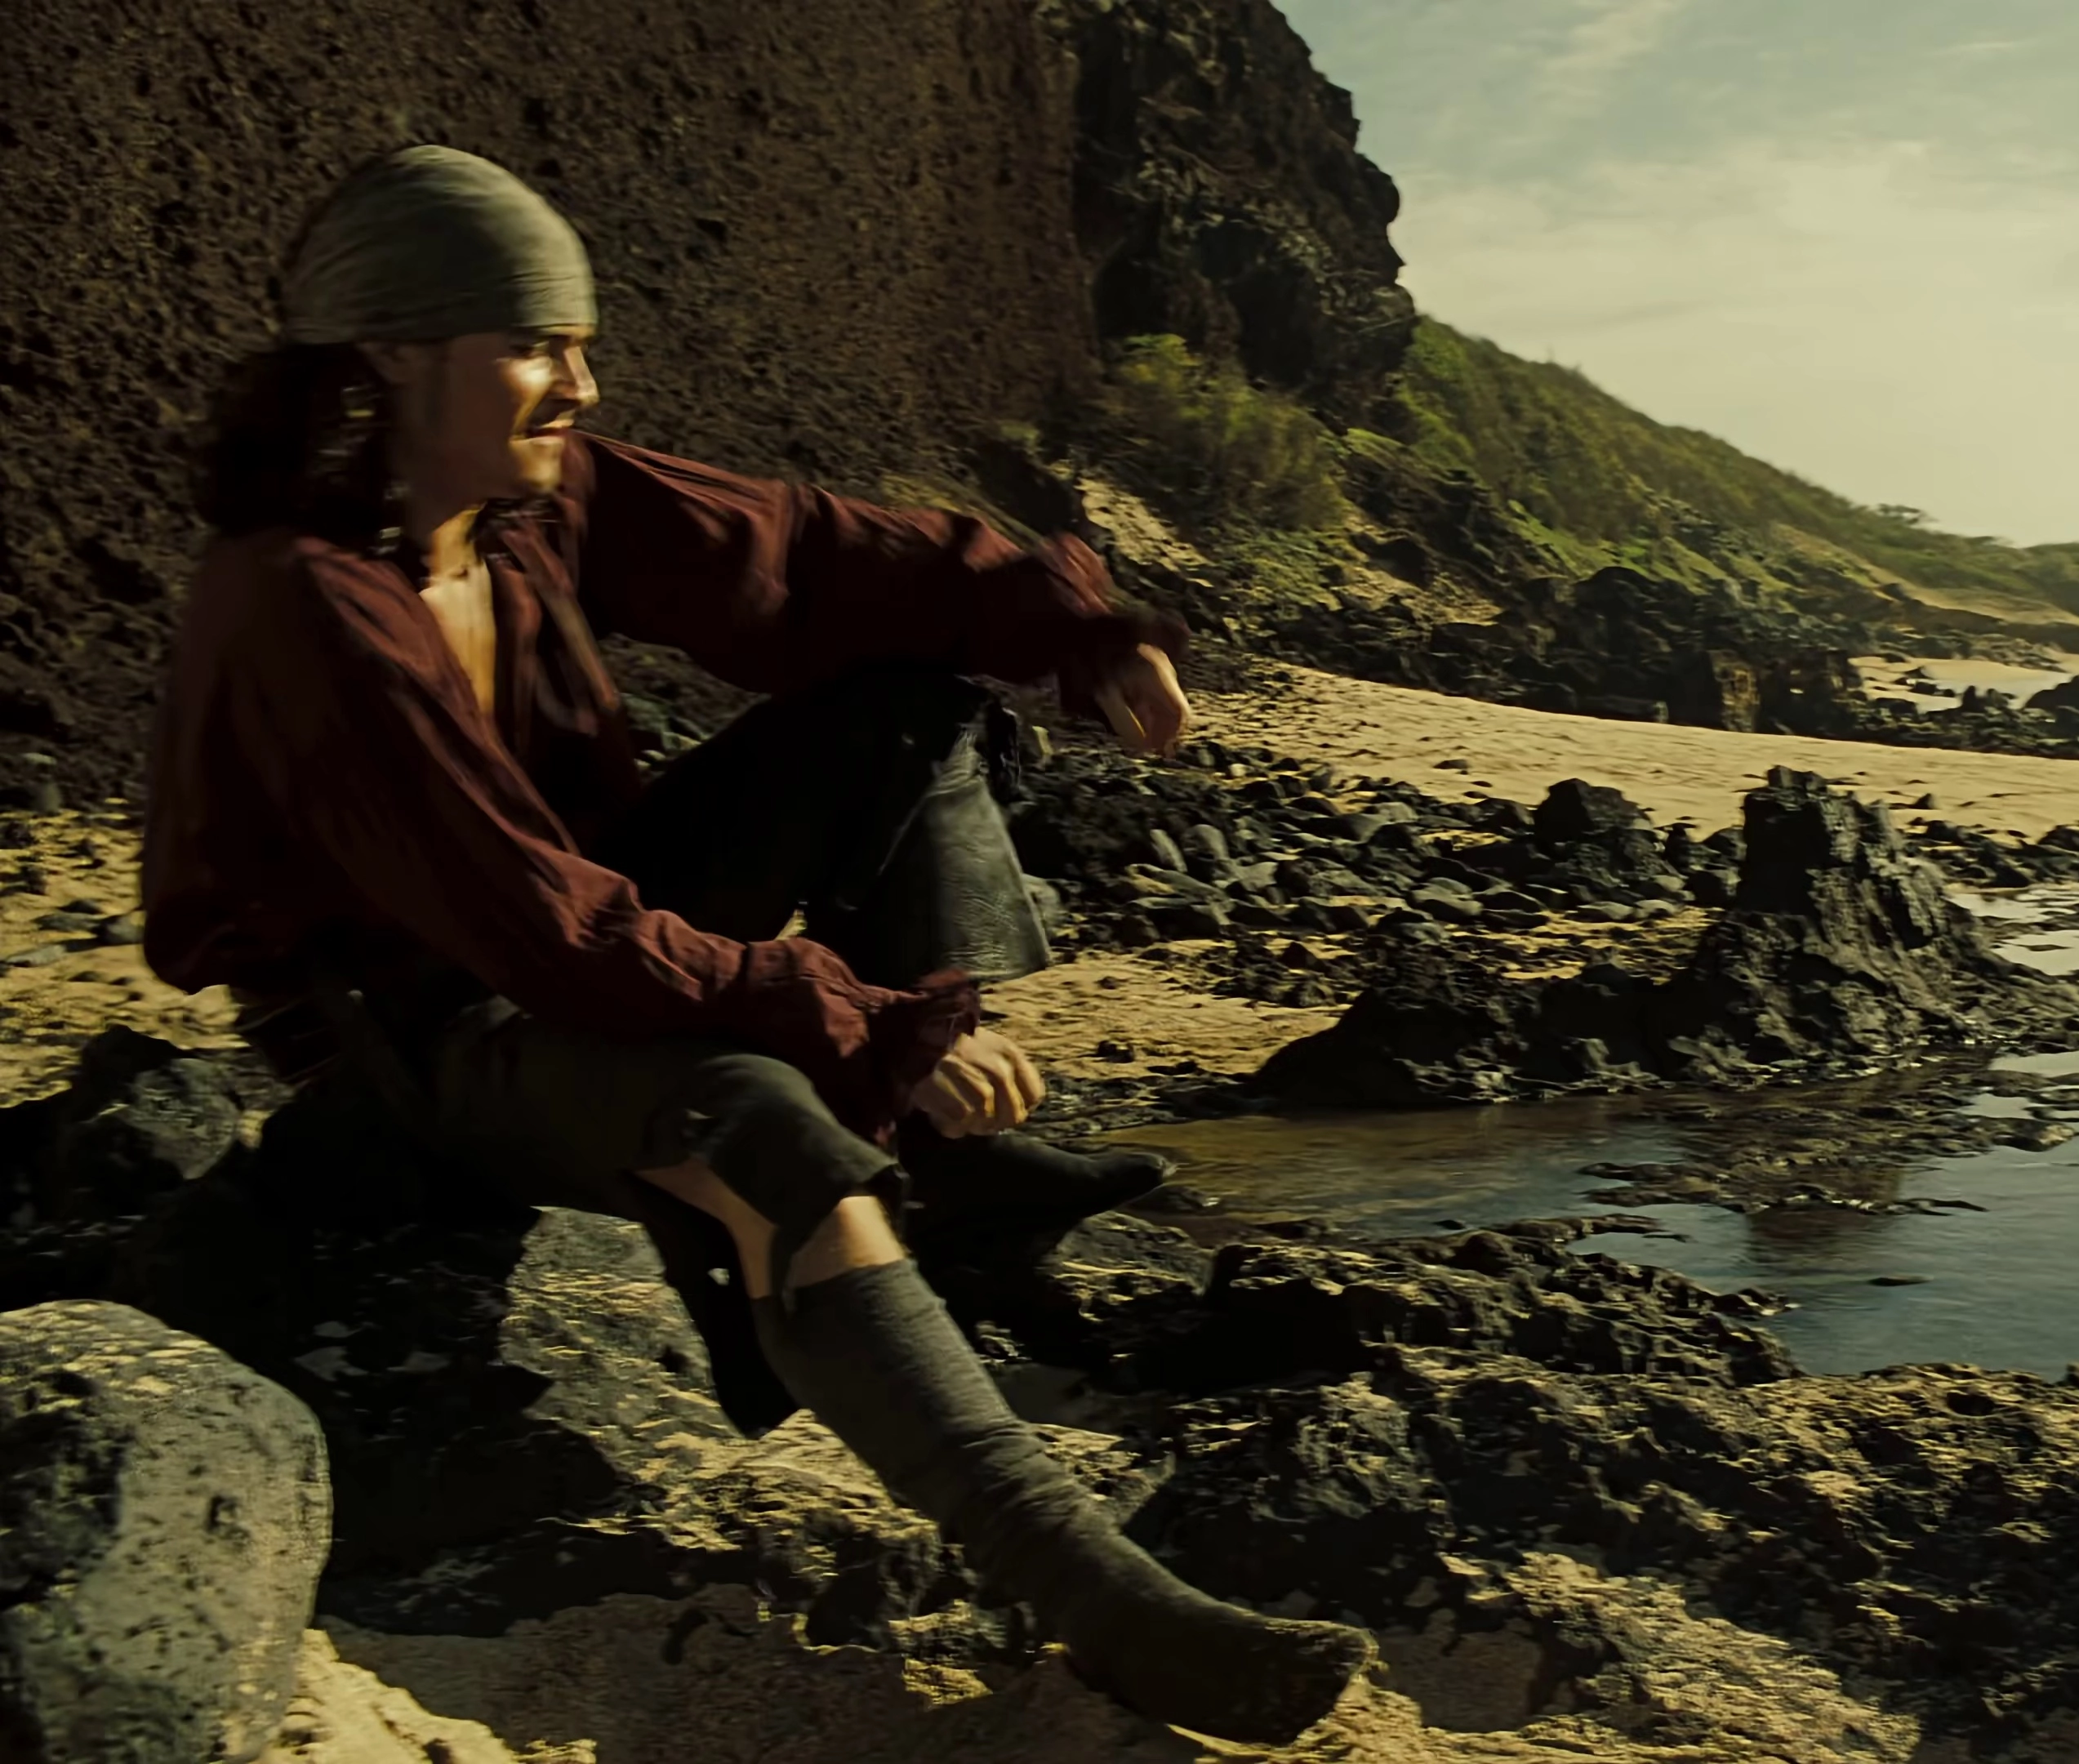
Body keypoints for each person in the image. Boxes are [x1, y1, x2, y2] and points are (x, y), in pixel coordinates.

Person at [140, 144, 1373, 1744]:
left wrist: (1082, 626)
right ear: (392, 353)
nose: (581, 384)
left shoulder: (528, 508)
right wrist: (865, 1022)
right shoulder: (304, 609)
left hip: (562, 937)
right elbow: (541, 936)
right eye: (537, 346)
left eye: (581, 345)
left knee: (899, 706)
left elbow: (810, 556)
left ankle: (953, 1177)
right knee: (757, 1118)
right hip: (417, 1037)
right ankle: (1101, 1596)